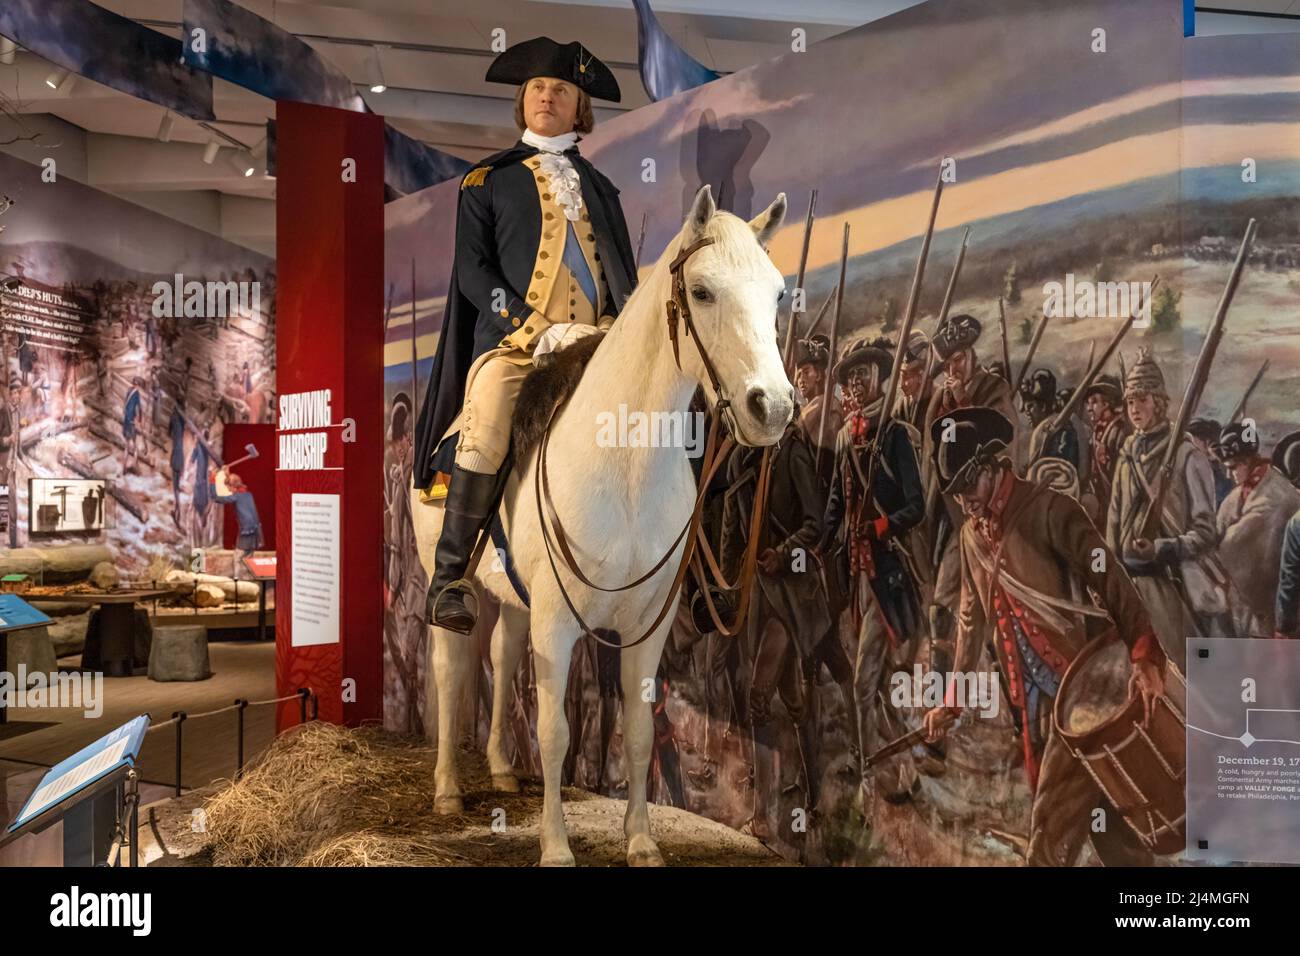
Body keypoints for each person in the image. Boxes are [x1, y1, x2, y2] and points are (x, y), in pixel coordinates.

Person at [412, 36, 636, 634]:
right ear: (523, 100)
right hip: (516, 349)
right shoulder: (485, 181)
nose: (547, 96)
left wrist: (611, 328)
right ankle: (451, 580)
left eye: (561, 90)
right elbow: (472, 272)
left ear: (578, 108)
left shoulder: (603, 192)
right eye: (538, 87)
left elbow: (619, 278)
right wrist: (536, 330)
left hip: (595, 350)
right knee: (484, 422)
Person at [921, 406, 1166, 866]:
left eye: (968, 488)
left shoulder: (1051, 510)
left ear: (993, 468)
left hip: (1082, 698)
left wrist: (1143, 651)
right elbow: (970, 623)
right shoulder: (971, 538)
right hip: (1030, 705)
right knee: (1110, 830)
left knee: (1046, 841)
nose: (965, 503)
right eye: (955, 495)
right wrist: (952, 698)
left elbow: (1110, 577)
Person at [820, 338, 927, 814]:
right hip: (856, 581)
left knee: (863, 686)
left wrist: (881, 526)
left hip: (888, 577)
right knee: (880, 689)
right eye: (849, 378)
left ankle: (866, 776)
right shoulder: (845, 437)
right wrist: (812, 544)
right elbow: (835, 510)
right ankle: (908, 771)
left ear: (879, 378)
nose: (855, 384)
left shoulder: (896, 434)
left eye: (862, 375)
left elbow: (916, 506)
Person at [1106, 349, 1232, 669]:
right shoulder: (1128, 454)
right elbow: (1115, 519)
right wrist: (1108, 571)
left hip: (1172, 582)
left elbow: (1206, 532)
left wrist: (1160, 549)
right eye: (1130, 401)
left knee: (1189, 672)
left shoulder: (1188, 456)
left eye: (1143, 399)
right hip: (1129, 583)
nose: (1134, 408)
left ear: (1159, 402)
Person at [1215, 422, 1300, 637]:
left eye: (1234, 466)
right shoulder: (1241, 493)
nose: (1229, 472)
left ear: (1247, 460)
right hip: (1251, 610)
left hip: (1268, 610)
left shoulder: (1275, 495)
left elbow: (1232, 547)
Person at [1082, 374, 1129, 524]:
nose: (1089, 408)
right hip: (1102, 505)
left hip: (1119, 507)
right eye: (1088, 403)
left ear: (1107, 403)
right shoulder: (1096, 432)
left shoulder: (1120, 433)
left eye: (1094, 402)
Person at [210, 467, 263, 557]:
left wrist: (212, 480)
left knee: (239, 558)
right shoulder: (247, 494)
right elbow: (234, 485)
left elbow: (216, 498)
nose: (229, 490)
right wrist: (227, 474)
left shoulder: (236, 497)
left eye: (229, 488)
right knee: (248, 558)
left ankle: (240, 571)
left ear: (233, 487)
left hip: (247, 530)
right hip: (254, 529)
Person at [122, 376, 143, 475]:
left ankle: (124, 468)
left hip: (126, 421)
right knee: (134, 445)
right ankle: (135, 467)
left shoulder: (129, 391)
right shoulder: (136, 393)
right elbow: (137, 408)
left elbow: (126, 408)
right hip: (130, 422)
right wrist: (137, 420)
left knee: (127, 445)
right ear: (137, 385)